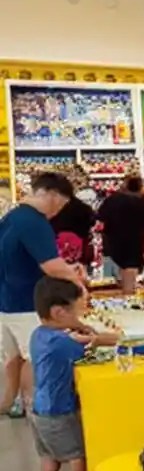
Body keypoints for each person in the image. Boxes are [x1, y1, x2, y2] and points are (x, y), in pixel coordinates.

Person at [28, 277, 119, 471]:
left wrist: (77, 325)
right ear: (59, 312)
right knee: (77, 457)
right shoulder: (62, 344)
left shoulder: (41, 335)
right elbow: (95, 343)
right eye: (77, 310)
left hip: (40, 412)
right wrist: (111, 338)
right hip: (58, 414)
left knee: (49, 466)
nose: (80, 316)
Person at [0, 172, 83, 419]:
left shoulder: (12, 217)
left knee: (12, 356)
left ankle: (9, 400)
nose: (59, 211)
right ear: (52, 195)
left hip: (5, 299)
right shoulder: (35, 222)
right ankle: (31, 404)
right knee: (32, 357)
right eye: (62, 204)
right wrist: (76, 279)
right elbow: (51, 266)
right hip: (27, 301)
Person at [97, 175, 144, 294]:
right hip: (134, 245)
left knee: (112, 281)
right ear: (141, 187)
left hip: (111, 244)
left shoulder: (111, 200)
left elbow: (100, 220)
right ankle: (128, 297)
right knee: (129, 278)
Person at [50, 165, 96, 273]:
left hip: (58, 247)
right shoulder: (83, 206)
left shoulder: (53, 205)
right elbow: (91, 221)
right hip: (78, 248)